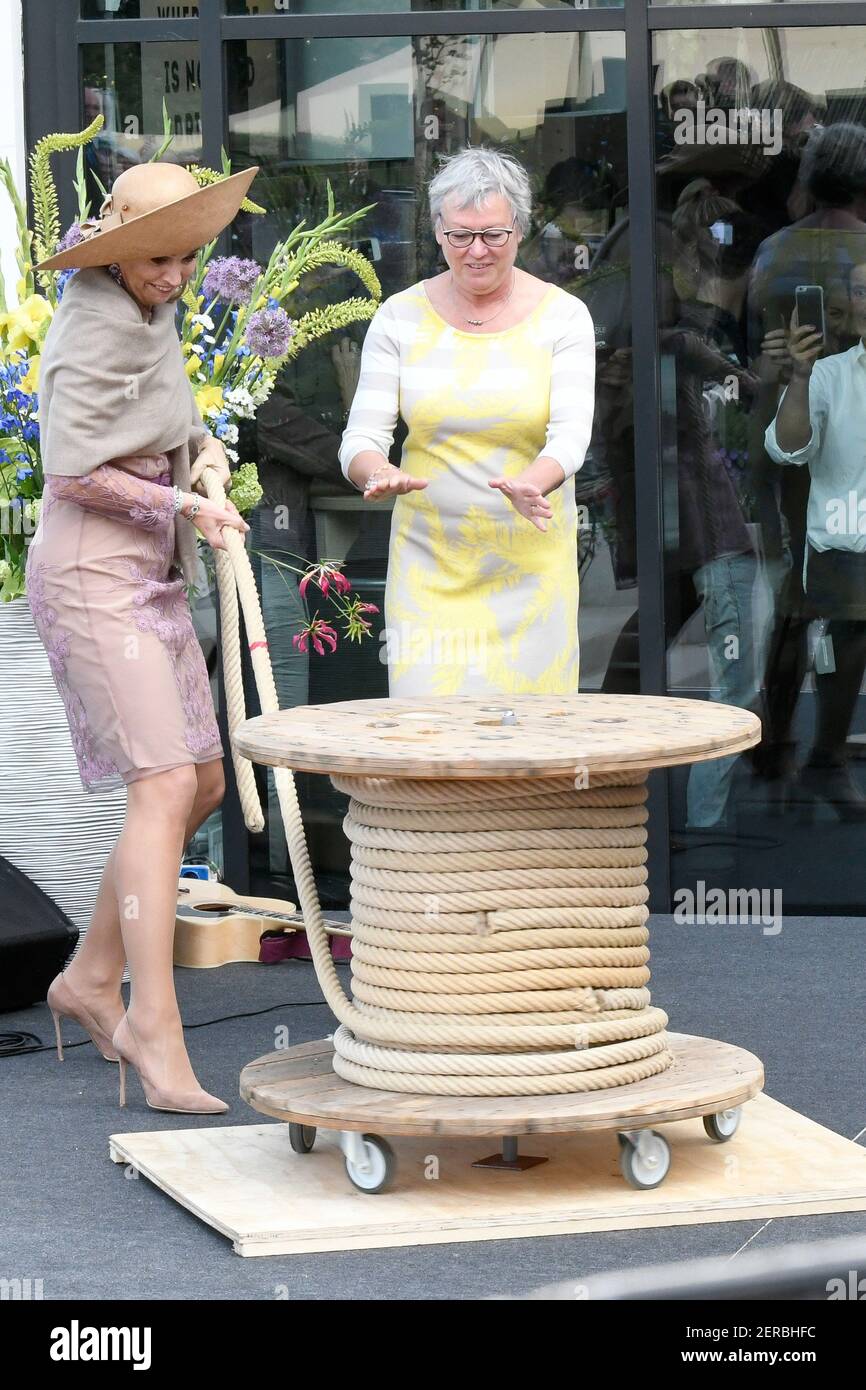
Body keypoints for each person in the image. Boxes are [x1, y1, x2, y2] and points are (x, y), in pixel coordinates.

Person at [27, 160, 257, 1112]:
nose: (175, 276)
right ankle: (148, 1025)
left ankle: (85, 976)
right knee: (164, 783)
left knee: (201, 780)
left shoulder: (148, 307)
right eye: (159, 259)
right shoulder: (88, 324)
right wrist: (185, 504)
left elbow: (166, 416)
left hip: (148, 565)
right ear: (120, 254)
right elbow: (74, 471)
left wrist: (200, 452)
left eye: (190, 259)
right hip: (91, 570)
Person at [337, 146, 596, 696]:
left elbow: (572, 434)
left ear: (519, 231)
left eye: (493, 235)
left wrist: (534, 481)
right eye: (461, 235)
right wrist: (374, 473)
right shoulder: (399, 317)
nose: (476, 250)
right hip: (429, 572)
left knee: (529, 760)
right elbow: (361, 437)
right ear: (437, 231)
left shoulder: (563, 317)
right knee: (432, 754)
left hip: (530, 574)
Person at [764, 256, 866, 819]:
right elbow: (787, 446)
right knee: (848, 628)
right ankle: (823, 760)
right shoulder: (828, 374)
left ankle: (822, 760)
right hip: (846, 550)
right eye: (859, 290)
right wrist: (800, 375)